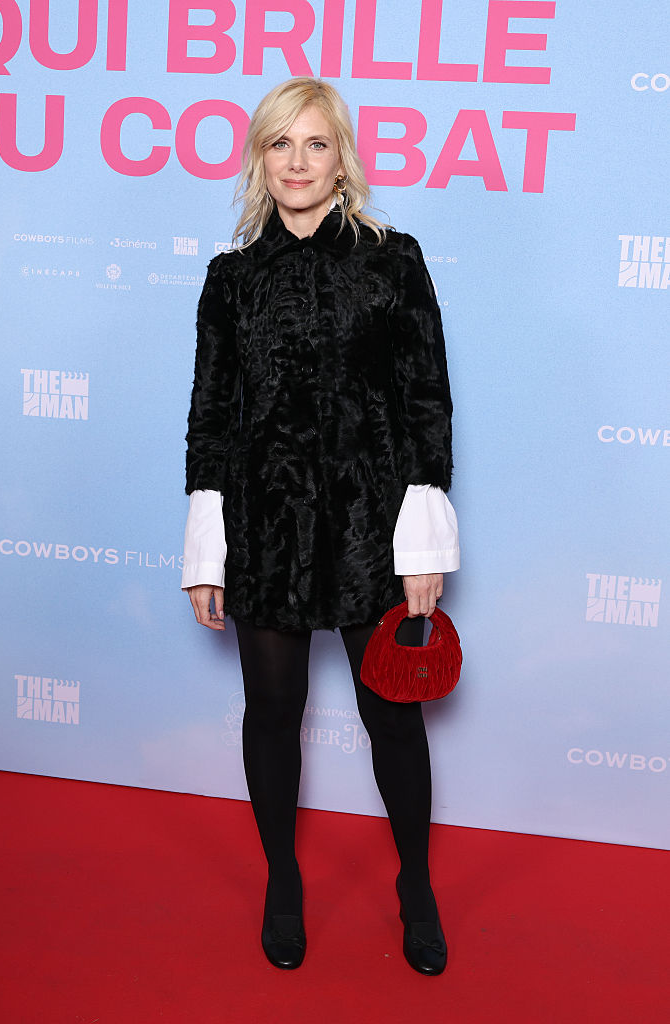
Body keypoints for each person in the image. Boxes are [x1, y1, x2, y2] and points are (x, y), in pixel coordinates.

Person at [182, 77, 460, 975]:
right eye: (279, 145)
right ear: (259, 160)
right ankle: (281, 882)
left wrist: (421, 542)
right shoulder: (229, 280)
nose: (297, 162)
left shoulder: (394, 261)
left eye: (314, 144)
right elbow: (211, 415)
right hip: (262, 527)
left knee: (394, 723)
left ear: (341, 157)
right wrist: (206, 547)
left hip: (371, 530)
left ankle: (414, 883)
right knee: (271, 716)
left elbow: (427, 405)